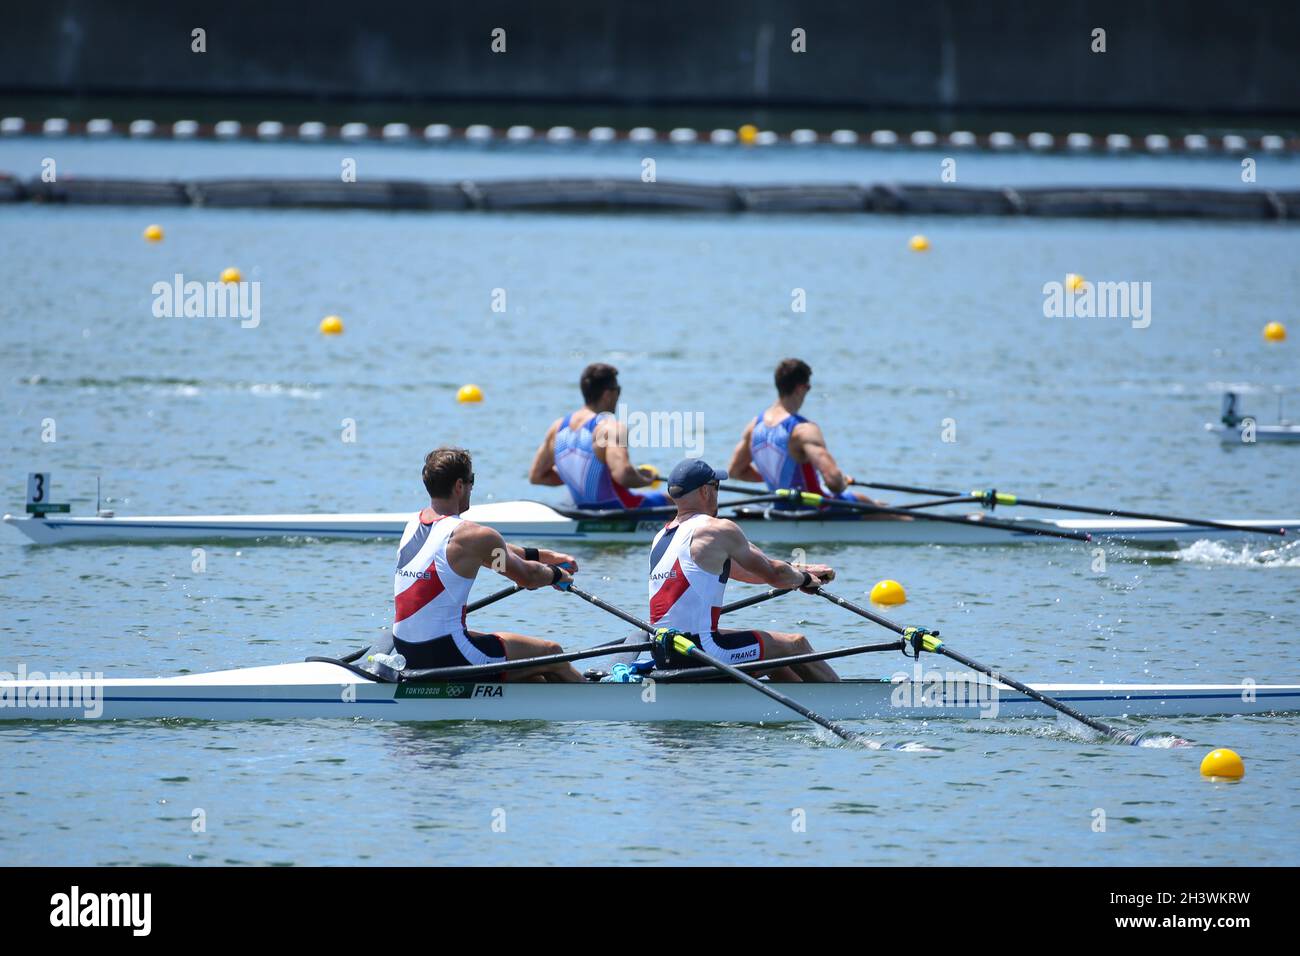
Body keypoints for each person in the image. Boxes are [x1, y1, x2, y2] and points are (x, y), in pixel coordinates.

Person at [394, 447, 583, 682]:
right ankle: (598, 709)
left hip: (407, 650)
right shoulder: (473, 537)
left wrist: (548, 556)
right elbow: (528, 577)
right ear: (459, 486)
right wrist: (556, 575)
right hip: (447, 655)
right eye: (472, 480)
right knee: (552, 654)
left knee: (533, 676)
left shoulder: (414, 523)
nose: (473, 487)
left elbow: (499, 553)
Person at [646, 458, 841, 682]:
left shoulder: (661, 537)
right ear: (705, 491)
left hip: (664, 651)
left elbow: (750, 572)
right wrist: (803, 579)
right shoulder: (716, 529)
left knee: (774, 653)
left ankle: (789, 708)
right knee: (796, 644)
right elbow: (774, 575)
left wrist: (800, 570)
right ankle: (845, 703)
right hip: (702, 653)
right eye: (716, 486)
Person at [727, 358, 890, 512]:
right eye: (808, 387)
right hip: (813, 508)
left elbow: (735, 471)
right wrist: (842, 481)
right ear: (800, 388)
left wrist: (774, 480)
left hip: (779, 507)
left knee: (867, 503)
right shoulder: (803, 430)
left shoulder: (754, 426)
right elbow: (833, 482)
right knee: (867, 503)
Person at [529, 363, 669, 510]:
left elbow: (537, 476)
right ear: (608, 394)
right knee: (679, 501)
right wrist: (646, 480)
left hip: (582, 510)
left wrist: (575, 475)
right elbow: (624, 475)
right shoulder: (610, 427)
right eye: (618, 390)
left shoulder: (557, 428)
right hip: (616, 509)